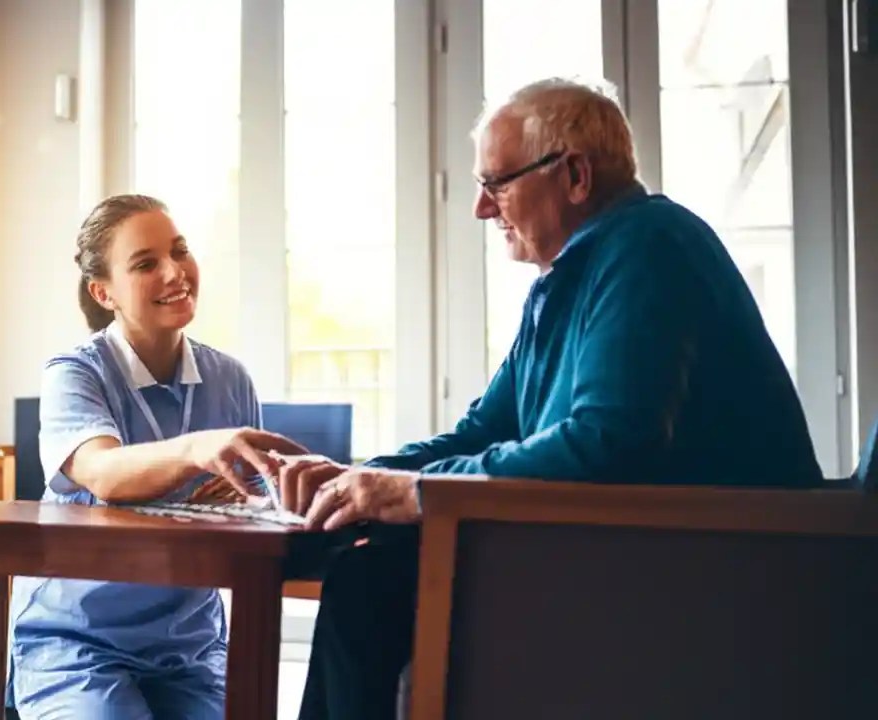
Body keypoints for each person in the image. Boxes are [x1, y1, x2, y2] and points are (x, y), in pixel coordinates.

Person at [278, 78, 824, 719]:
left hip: (714, 576)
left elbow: (609, 442)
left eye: (497, 184)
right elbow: (482, 430)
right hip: (636, 554)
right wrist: (362, 479)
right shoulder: (574, 273)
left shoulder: (648, 245)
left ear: (574, 176)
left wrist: (413, 494)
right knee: (366, 565)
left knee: (371, 584)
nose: (483, 209)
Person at [7, 194, 306, 719]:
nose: (175, 272)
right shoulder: (74, 373)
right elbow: (102, 472)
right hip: (77, 641)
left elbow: (249, 504)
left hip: (190, 647)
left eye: (180, 251)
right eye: (146, 263)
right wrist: (196, 451)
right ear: (104, 292)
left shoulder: (230, 378)